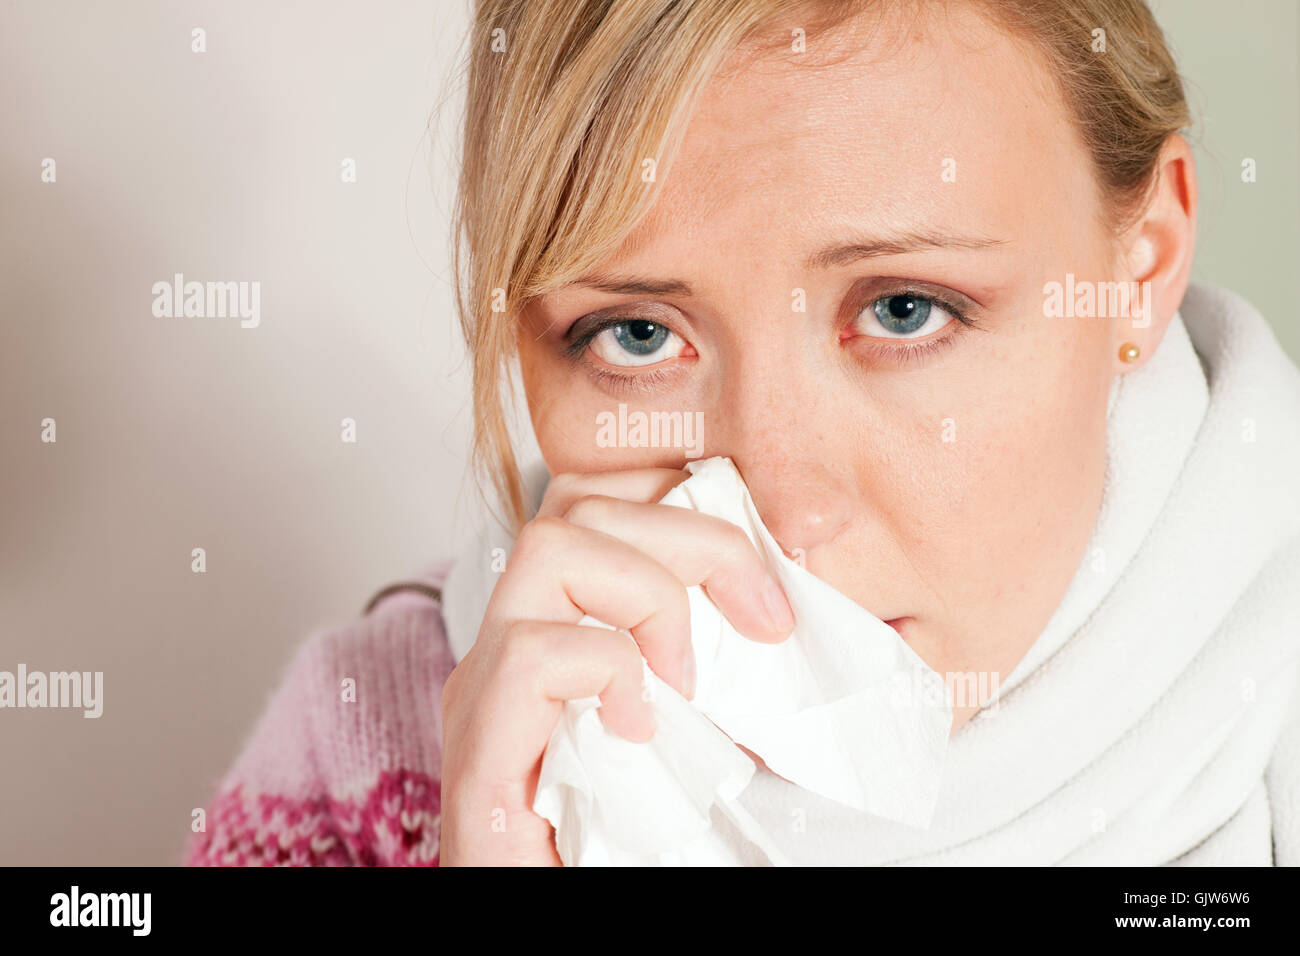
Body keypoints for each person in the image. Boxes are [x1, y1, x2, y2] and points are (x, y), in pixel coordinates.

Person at [187, 0, 1300, 866]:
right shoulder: (365, 755)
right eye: (633, 334)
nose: (789, 518)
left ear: (1139, 262)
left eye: (904, 310)